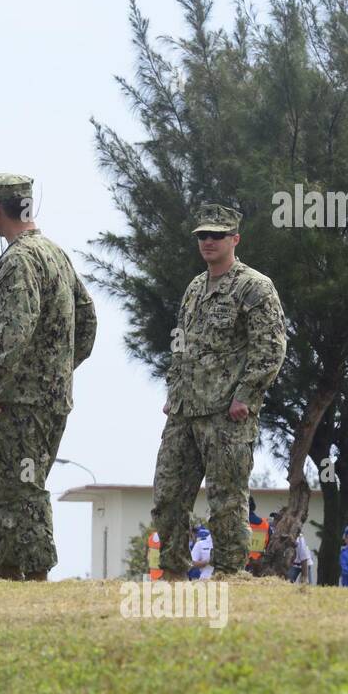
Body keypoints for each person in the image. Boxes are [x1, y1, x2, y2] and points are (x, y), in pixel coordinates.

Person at [0, 174, 98, 582]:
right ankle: (11, 569)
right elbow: (87, 319)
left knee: (23, 487)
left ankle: (33, 573)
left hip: (24, 399)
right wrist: (60, 370)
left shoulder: (19, 258)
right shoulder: (55, 253)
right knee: (7, 484)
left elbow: (13, 331)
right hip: (50, 397)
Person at [149, 204, 287, 583]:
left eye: (216, 236)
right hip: (184, 410)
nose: (207, 242)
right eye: (202, 236)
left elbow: (270, 348)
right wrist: (173, 391)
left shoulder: (255, 287)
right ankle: (174, 571)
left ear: (234, 240)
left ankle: (229, 572)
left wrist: (246, 396)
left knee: (226, 500)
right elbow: (181, 345)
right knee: (167, 496)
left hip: (227, 413)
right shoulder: (195, 287)